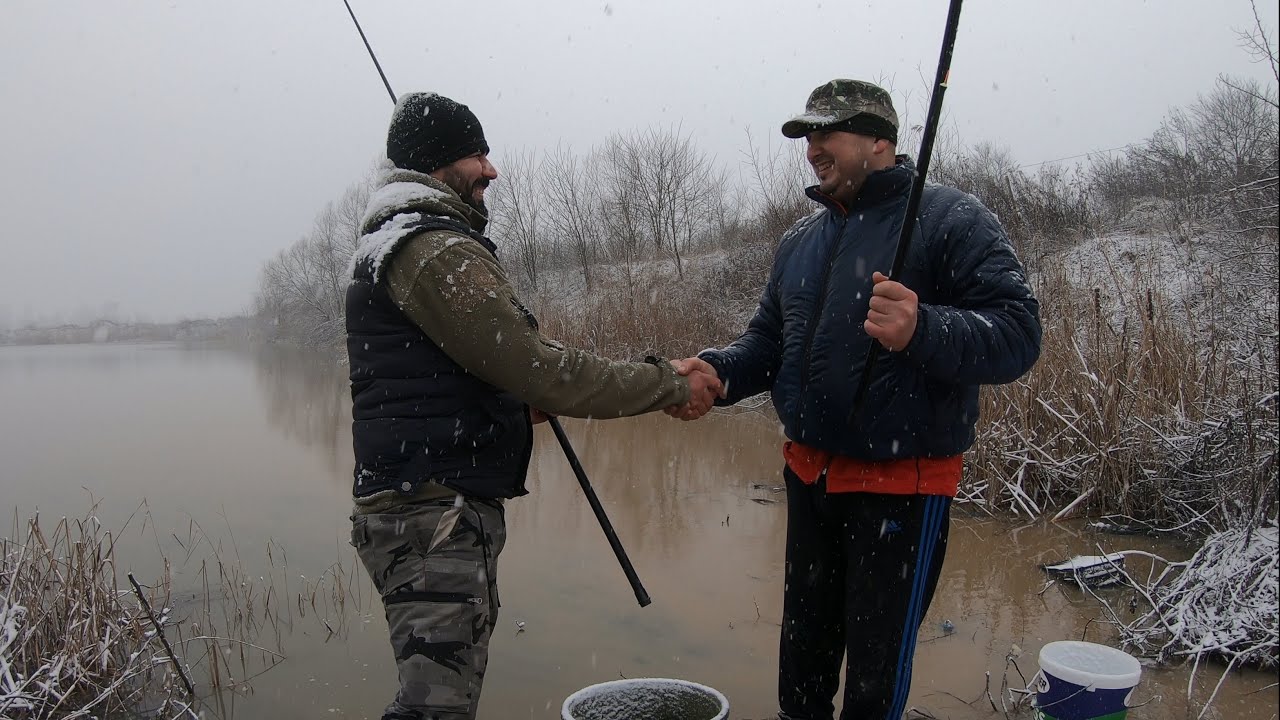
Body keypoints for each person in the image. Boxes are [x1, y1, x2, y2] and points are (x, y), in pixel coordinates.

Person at [345, 91, 721, 720]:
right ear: (437, 163)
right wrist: (670, 385)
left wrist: (512, 413)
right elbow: (542, 369)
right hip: (433, 516)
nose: (491, 169)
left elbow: (434, 388)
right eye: (475, 153)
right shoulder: (432, 249)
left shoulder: (403, 242)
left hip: (423, 506)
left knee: (438, 702)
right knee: (434, 709)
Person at [675, 79, 1042, 720]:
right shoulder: (798, 242)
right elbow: (767, 343)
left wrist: (923, 327)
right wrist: (717, 372)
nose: (813, 148)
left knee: (874, 679)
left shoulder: (954, 218)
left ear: (879, 140)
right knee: (802, 660)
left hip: (902, 485)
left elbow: (1018, 335)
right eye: (807, 136)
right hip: (809, 475)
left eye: (827, 133)